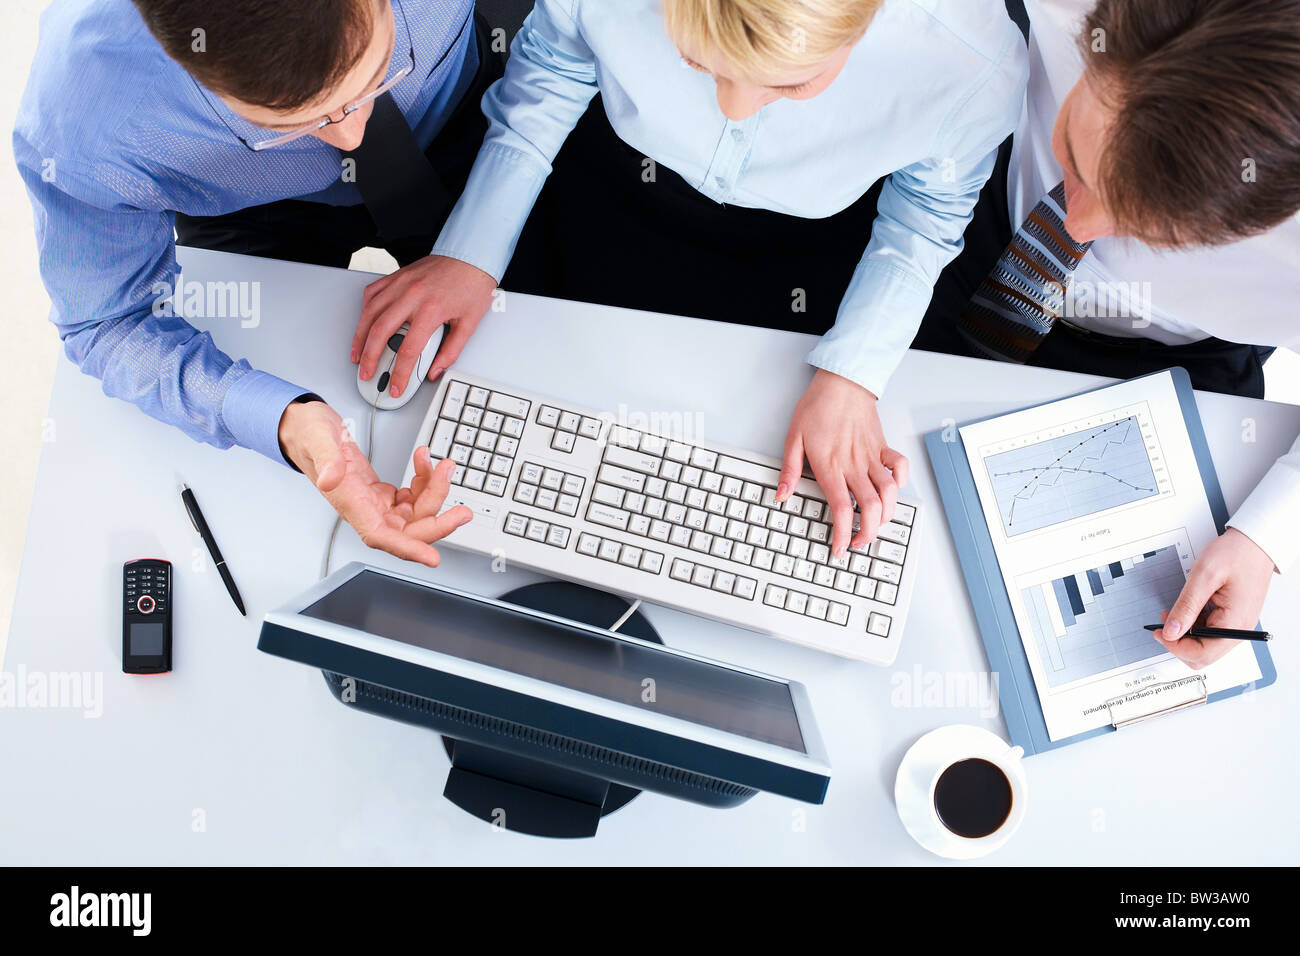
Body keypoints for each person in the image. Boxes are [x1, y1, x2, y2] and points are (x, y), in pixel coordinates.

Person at [353, 0, 1029, 557]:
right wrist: (473, 249)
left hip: (813, 257)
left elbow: (926, 213)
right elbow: (556, 65)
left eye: (791, 84)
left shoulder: (971, 60)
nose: (734, 109)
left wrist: (854, 371)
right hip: (607, 185)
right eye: (696, 62)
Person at [13, 0, 501, 567]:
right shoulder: (85, 117)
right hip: (257, 201)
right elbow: (106, 324)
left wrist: (479, 245)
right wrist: (281, 419)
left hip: (467, 114)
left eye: (377, 73)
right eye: (290, 121)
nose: (351, 135)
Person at [913, 0, 1300, 668]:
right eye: (1078, 161)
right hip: (984, 231)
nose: (1084, 229)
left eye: (1144, 229)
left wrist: (1266, 537)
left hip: (1185, 363)